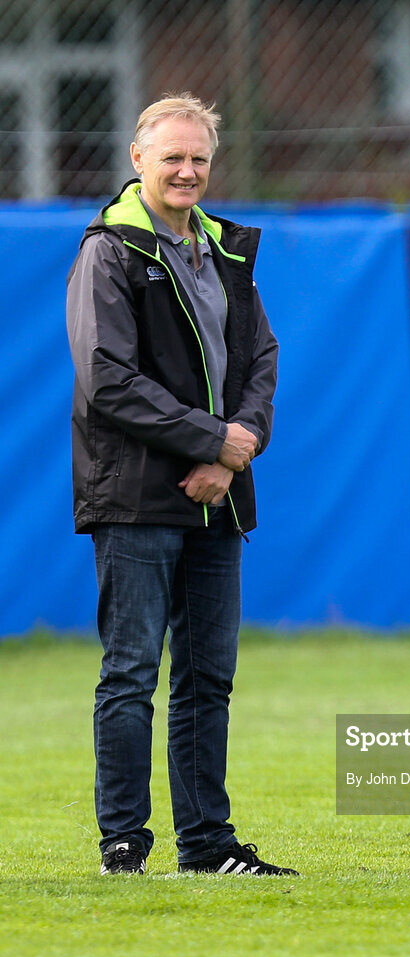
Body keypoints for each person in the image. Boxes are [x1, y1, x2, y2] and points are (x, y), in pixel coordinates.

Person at [66, 92, 298, 877]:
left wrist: (237, 450)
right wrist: (212, 442)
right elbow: (108, 381)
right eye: (172, 158)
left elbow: (261, 361)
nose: (188, 170)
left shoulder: (227, 250)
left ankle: (208, 846)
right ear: (138, 161)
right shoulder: (110, 249)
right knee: (130, 672)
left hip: (219, 496)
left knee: (209, 678)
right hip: (134, 496)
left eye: (199, 157)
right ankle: (123, 844)